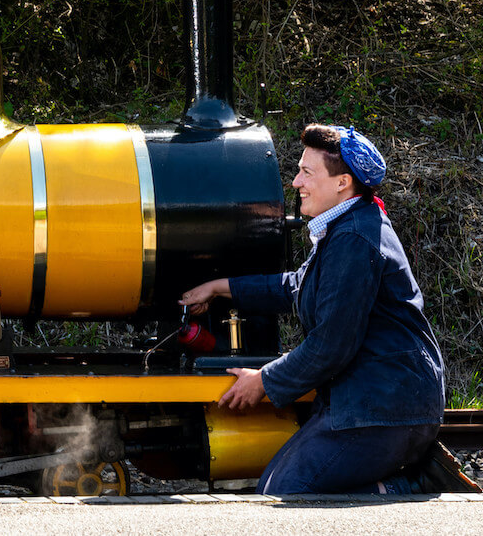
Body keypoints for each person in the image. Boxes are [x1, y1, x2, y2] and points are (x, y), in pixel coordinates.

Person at [180, 124, 445, 494]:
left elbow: (331, 345)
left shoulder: (353, 239)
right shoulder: (349, 226)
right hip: (372, 401)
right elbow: (297, 286)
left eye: (307, 172)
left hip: (383, 408)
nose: (295, 182)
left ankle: (411, 486)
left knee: (288, 491)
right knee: (274, 486)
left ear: (342, 183)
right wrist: (221, 288)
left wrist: (264, 380)